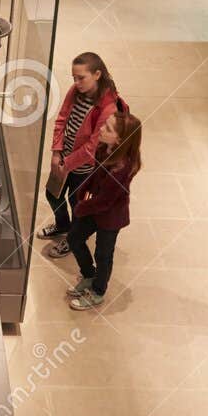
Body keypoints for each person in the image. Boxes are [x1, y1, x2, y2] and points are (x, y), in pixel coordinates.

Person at [39, 52, 123, 259]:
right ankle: (62, 226)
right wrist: (56, 151)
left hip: (85, 167)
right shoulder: (75, 91)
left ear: (97, 74)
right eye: (74, 78)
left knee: (77, 204)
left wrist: (66, 163)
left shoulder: (108, 107)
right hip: (64, 158)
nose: (76, 82)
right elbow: (61, 119)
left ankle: (72, 238)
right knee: (52, 194)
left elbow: (92, 147)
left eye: (81, 78)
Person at [65, 111, 144, 310]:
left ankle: (98, 291)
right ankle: (89, 275)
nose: (101, 129)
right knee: (74, 238)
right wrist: (82, 191)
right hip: (95, 208)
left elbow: (105, 202)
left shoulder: (122, 169)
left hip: (110, 218)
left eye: (107, 129)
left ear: (119, 139)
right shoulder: (104, 148)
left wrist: (81, 207)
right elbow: (95, 174)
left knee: (103, 254)